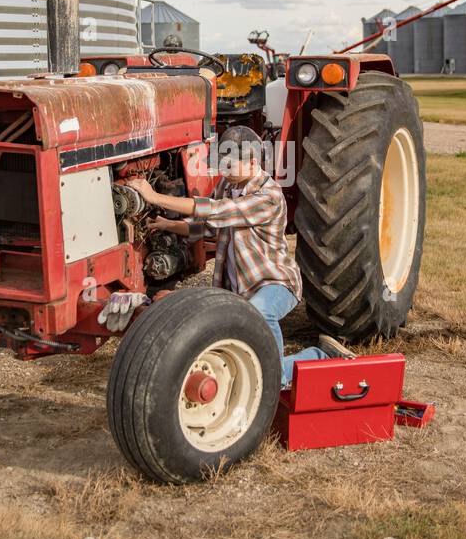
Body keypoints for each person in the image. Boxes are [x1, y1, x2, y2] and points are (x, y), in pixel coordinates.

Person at [117, 126, 352, 385]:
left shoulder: (268, 195)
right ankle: (281, 371)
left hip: (275, 283)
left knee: (260, 313)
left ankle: (299, 367)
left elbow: (216, 211)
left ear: (252, 162)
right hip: (238, 290)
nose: (224, 171)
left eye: (230, 165)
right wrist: (168, 225)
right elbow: (207, 226)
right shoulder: (228, 186)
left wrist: (153, 196)